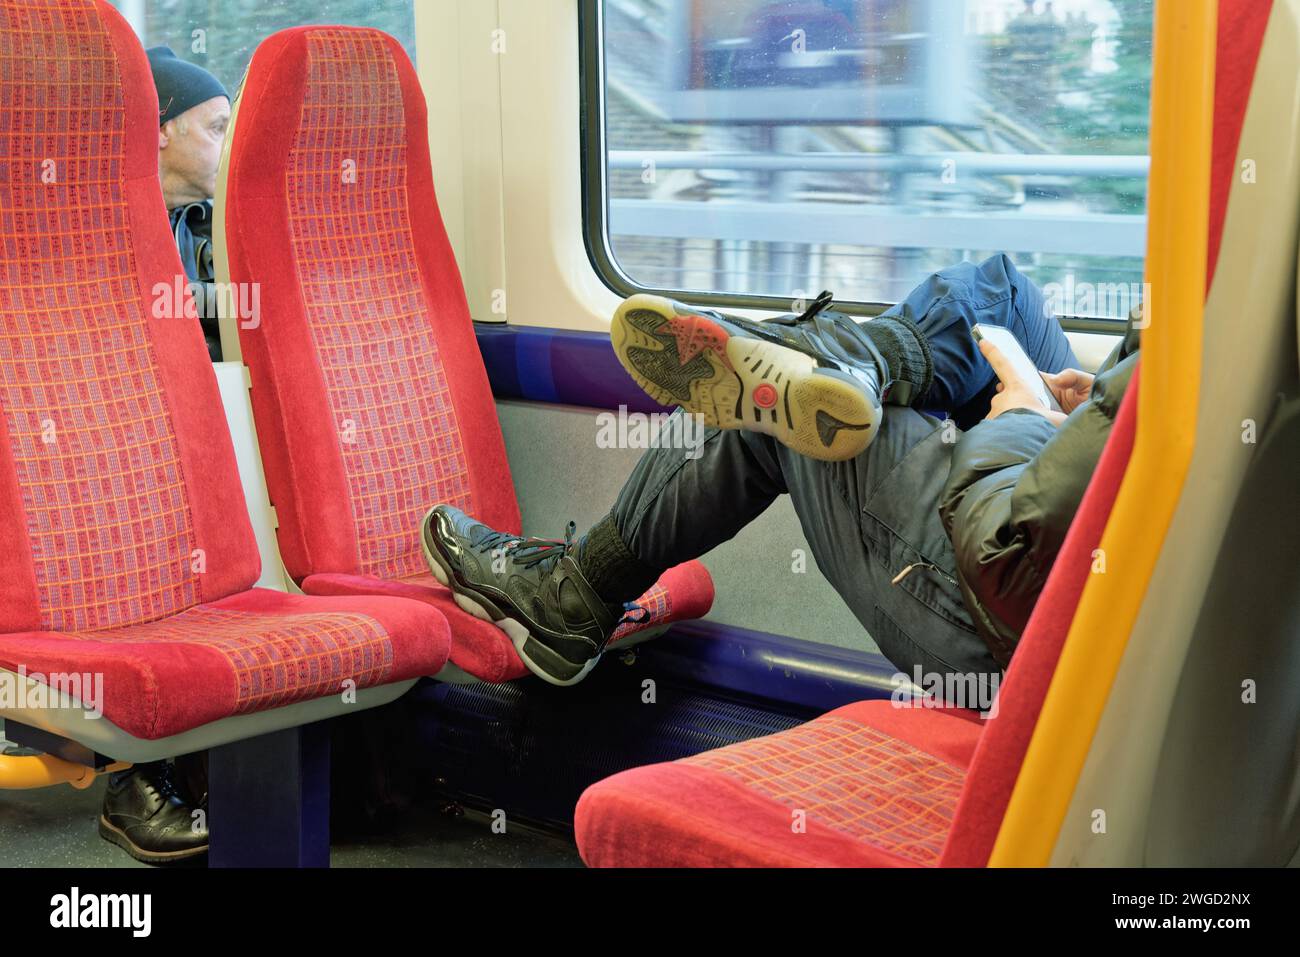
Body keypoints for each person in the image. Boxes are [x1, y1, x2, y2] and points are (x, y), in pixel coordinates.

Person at [421, 254, 1139, 694]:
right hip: (1083, 520)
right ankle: (853, 365)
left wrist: (1020, 420)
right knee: (1003, 295)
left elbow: (1003, 555)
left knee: (786, 416)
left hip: (1021, 614)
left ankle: (579, 592)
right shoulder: (1239, 301)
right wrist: (1095, 404)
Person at [97, 48, 230, 866]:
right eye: (214, 127)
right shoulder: (97, 227)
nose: (228, 142)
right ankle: (129, 769)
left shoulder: (202, 230)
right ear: (156, 133)